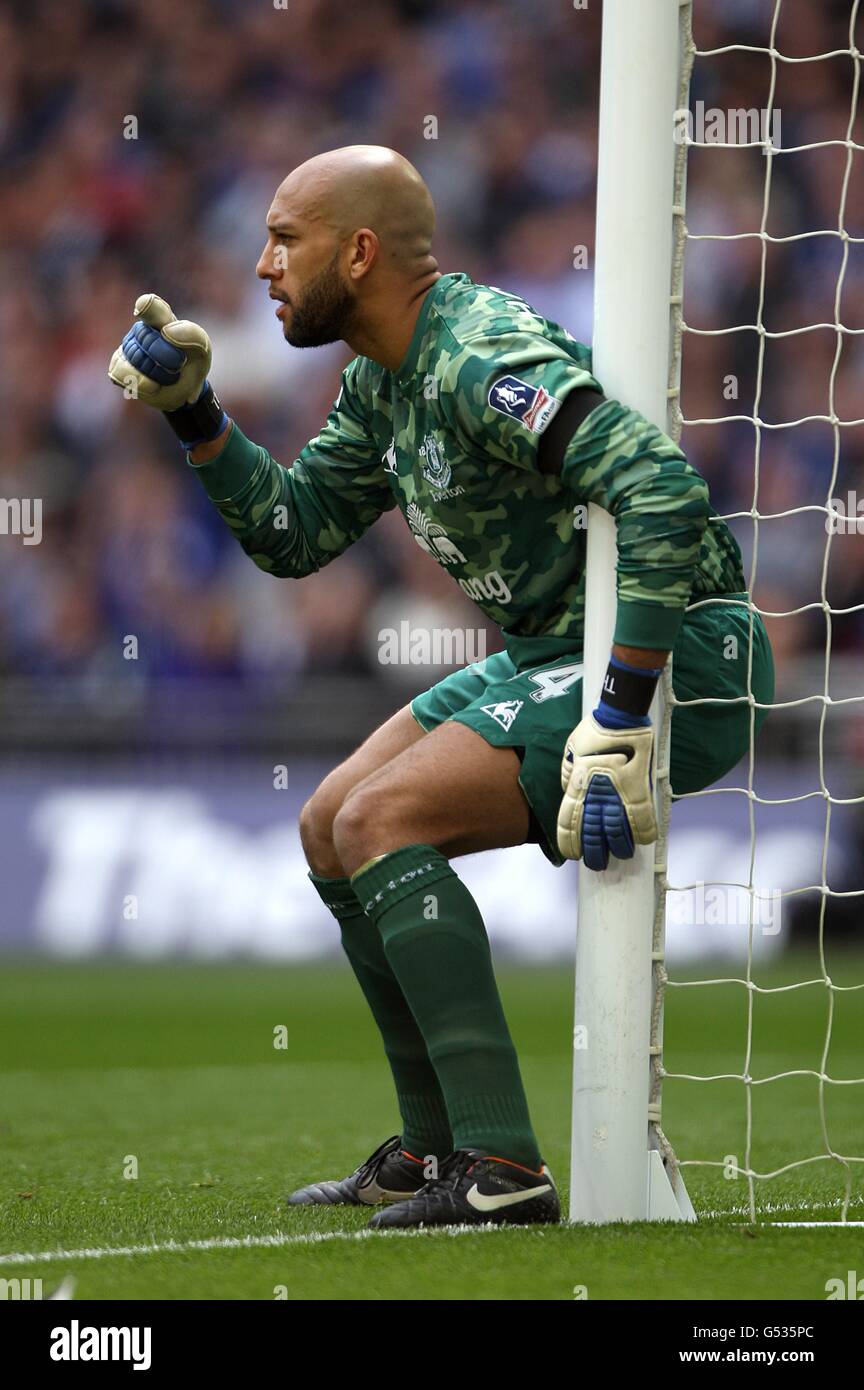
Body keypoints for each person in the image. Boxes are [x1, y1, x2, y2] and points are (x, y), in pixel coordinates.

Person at [108, 144, 774, 1229]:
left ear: (359, 252)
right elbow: (295, 531)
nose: (264, 264)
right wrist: (198, 417)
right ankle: (429, 1152)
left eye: (286, 238)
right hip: (548, 646)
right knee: (330, 823)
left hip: (680, 652)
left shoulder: (477, 353)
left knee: (381, 816)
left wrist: (619, 713)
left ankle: (505, 1170)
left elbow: (660, 489)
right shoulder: (380, 376)